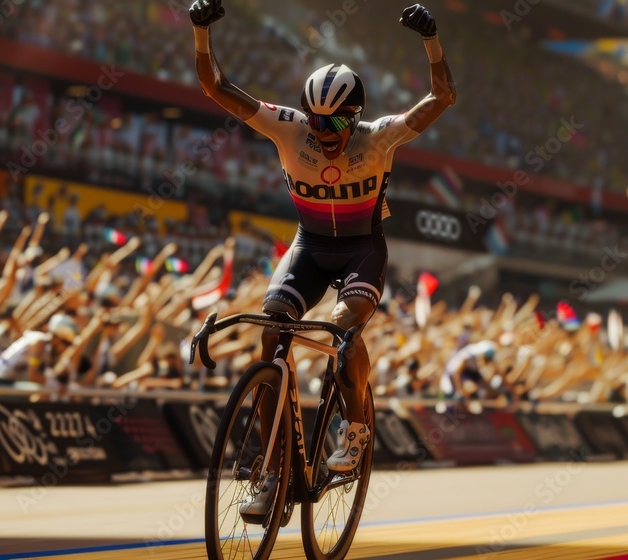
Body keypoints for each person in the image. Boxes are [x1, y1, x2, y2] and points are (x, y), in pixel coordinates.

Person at [189, 0, 455, 516]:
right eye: (316, 120)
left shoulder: (379, 137)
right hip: (309, 246)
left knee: (342, 326)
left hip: (361, 249)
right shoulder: (289, 128)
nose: (324, 132)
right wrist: (201, 34)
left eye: (335, 122)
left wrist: (432, 42)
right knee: (272, 335)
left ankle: (354, 431)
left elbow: (443, 96)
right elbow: (214, 88)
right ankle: (272, 471)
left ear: (355, 116)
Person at [0, 313, 82, 389]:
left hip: (4, 382)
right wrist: (57, 386)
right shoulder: (39, 343)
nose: (66, 348)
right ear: (56, 338)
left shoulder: (46, 349)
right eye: (65, 343)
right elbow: (33, 376)